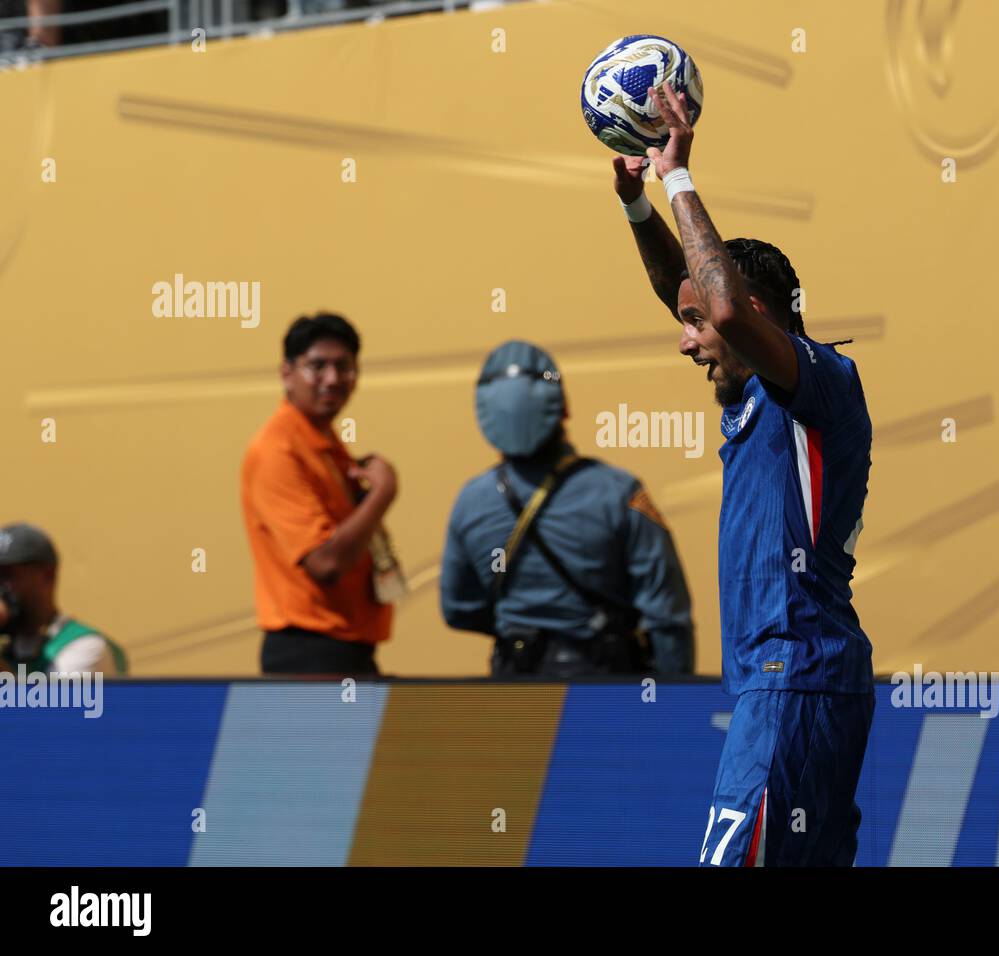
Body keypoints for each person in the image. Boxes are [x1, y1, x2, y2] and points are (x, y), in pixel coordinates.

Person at [612, 85, 875, 866]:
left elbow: (721, 313)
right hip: (803, 682)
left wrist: (679, 177)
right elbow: (692, 293)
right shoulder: (763, 387)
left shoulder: (822, 383)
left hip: (793, 678)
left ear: (756, 309)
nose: (685, 340)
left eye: (693, 324)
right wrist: (635, 205)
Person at [440, 340, 694, 678]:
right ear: (564, 408)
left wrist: (522, 625)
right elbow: (667, 616)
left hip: (512, 691)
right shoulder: (621, 492)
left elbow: (458, 608)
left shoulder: (470, 501)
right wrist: (673, 707)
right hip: (604, 691)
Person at [240, 313, 404, 676]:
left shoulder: (324, 443)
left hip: (344, 646)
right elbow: (324, 563)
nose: (332, 379)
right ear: (287, 373)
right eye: (317, 366)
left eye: (344, 367)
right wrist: (382, 495)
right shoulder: (278, 450)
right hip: (308, 650)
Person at [0, 523, 127, 674]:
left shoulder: (86, 646)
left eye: (7, 575)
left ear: (48, 574)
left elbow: (44, 698)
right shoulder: (8, 651)